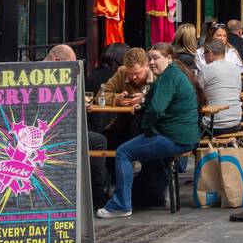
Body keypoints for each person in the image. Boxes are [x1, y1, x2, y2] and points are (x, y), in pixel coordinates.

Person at [97, 44, 200, 218]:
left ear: (169, 58)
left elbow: (156, 110)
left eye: (156, 58)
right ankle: (142, 196)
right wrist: (142, 104)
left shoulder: (168, 77)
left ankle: (121, 205)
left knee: (123, 152)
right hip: (183, 136)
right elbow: (155, 104)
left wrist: (147, 128)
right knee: (129, 148)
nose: (152, 62)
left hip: (174, 137)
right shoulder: (172, 74)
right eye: (150, 58)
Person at [47, 44, 109, 209]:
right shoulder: (53, 77)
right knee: (99, 141)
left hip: (46, 133)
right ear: (57, 60)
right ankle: (97, 196)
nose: (72, 71)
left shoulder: (31, 73)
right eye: (71, 65)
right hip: (54, 135)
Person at [198, 38, 243, 133]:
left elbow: (197, 95)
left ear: (210, 53)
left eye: (204, 55)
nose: (204, 57)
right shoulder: (236, 68)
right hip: (235, 121)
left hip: (213, 124)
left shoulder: (206, 70)